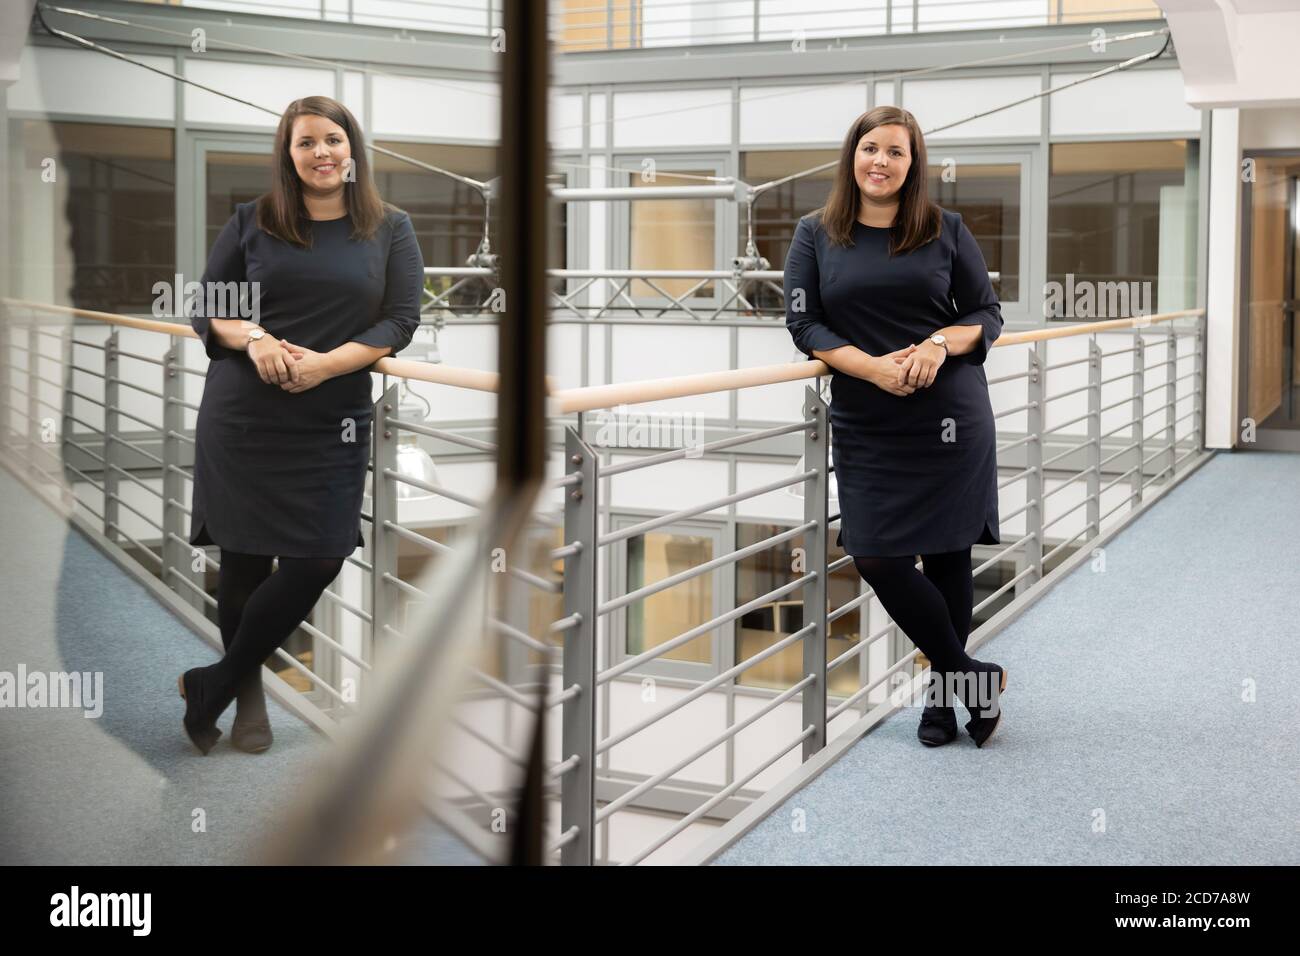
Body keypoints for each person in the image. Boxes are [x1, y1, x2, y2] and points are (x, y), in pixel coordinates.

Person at [177, 95, 424, 755]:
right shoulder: (253, 220)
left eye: (332, 140)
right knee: (244, 560)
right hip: (244, 416)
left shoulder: (390, 227)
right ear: (288, 154)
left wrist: (324, 366)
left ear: (352, 148)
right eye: (306, 142)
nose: (321, 153)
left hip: (331, 418)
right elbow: (207, 308)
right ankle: (247, 702)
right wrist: (255, 337)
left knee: (319, 557)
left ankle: (214, 682)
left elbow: (400, 320)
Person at [783, 106, 1007, 747]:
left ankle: (942, 705)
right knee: (876, 554)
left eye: (895, 152)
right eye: (870, 148)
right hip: (868, 420)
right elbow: (804, 323)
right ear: (852, 155)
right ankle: (971, 676)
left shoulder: (945, 229)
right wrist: (874, 370)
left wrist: (938, 343)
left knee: (947, 556)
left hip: (948, 417)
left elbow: (985, 313)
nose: (880, 161)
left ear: (913, 164)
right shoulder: (815, 233)